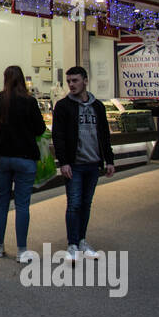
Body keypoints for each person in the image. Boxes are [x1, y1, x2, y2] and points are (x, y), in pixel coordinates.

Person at [52, 66, 115, 263]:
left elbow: (104, 134)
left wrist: (109, 160)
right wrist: (63, 162)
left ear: (85, 81)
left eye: (75, 81)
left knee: (86, 204)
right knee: (74, 204)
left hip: (94, 162)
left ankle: (82, 240)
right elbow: (58, 136)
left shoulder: (98, 107)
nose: (71, 84)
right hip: (75, 164)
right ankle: (72, 243)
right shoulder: (62, 106)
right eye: (69, 81)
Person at [0, 64, 46, 263]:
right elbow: (40, 129)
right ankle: (22, 250)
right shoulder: (29, 102)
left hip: (2, 158)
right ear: (22, 79)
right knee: (22, 205)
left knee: (1, 202)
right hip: (25, 158)